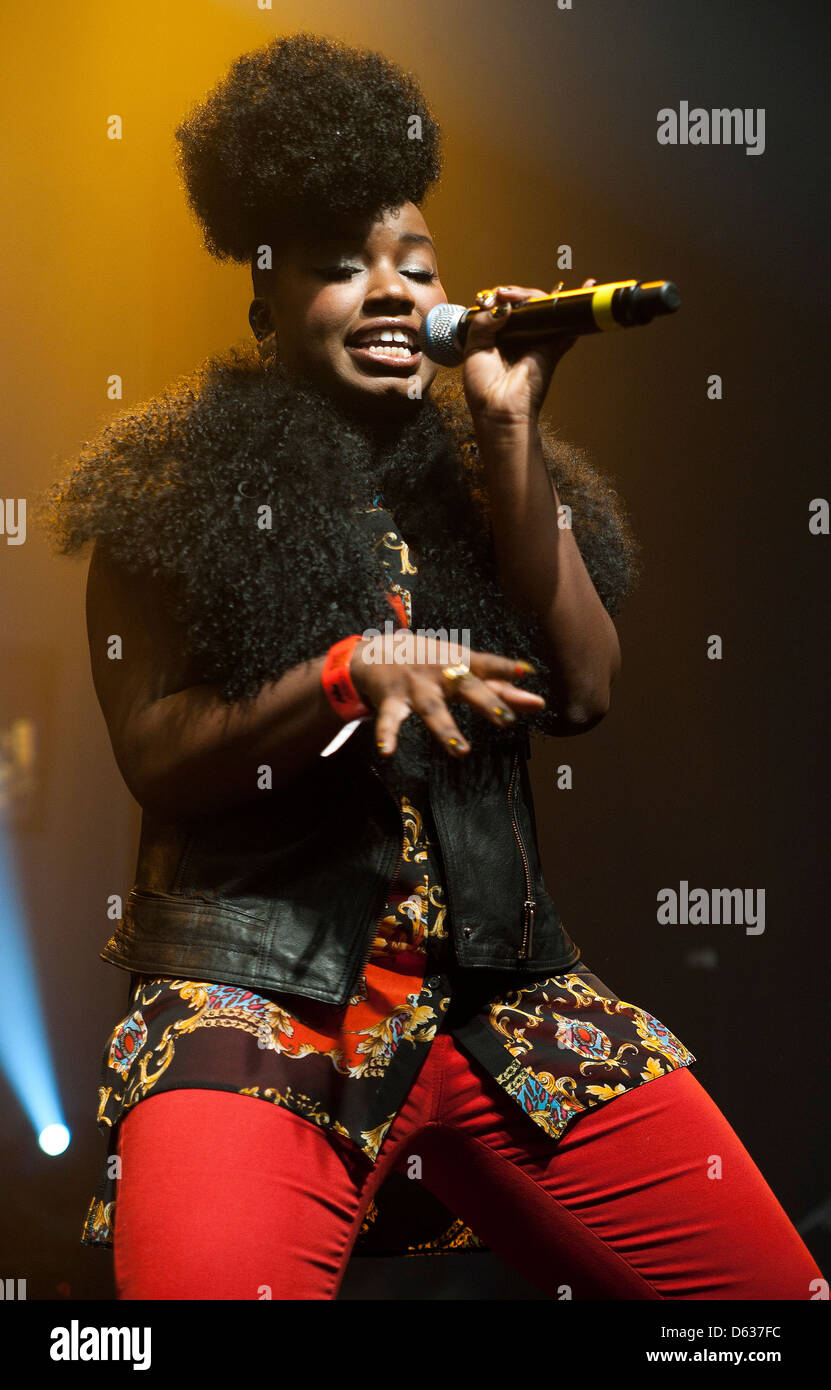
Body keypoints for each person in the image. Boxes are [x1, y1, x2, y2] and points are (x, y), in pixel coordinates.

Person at [38, 32, 823, 1300]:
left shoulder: (486, 478)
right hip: (265, 1000)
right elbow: (156, 754)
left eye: (416, 264)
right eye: (340, 268)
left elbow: (581, 687)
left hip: (502, 1004)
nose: (394, 291)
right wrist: (346, 673)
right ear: (266, 301)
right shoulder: (167, 495)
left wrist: (510, 427)